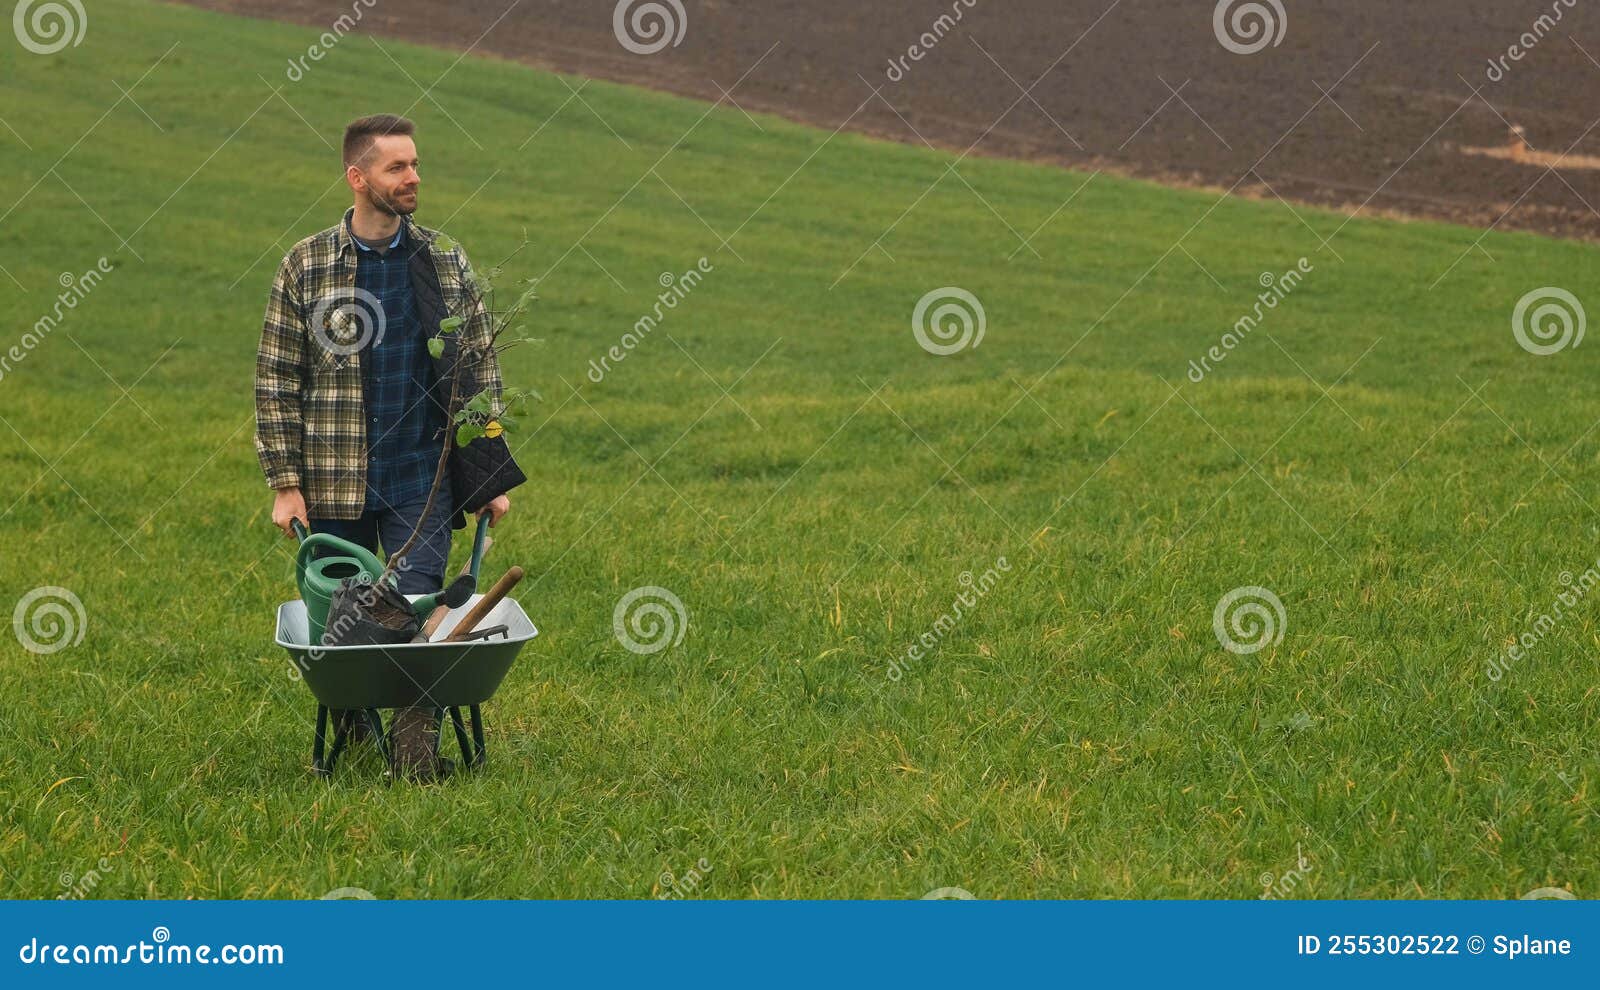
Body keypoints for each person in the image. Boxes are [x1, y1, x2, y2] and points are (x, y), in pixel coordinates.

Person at [253, 113, 516, 778]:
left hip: (420, 477)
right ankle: (354, 726)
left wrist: (490, 479)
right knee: (345, 621)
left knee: (417, 607)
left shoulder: (444, 261)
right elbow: (277, 379)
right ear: (358, 176)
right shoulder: (308, 265)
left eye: (415, 164)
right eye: (397, 167)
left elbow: (482, 375)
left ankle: (414, 752)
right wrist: (286, 484)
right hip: (333, 475)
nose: (413, 177)